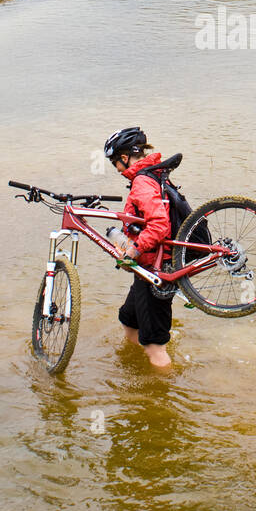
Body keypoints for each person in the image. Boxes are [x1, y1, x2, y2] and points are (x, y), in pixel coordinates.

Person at [104, 126, 174, 369]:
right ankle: (138, 364)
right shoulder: (151, 174)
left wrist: (134, 251)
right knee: (129, 320)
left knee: (155, 346)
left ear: (124, 157)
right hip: (145, 268)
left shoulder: (143, 182)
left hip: (154, 271)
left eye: (115, 162)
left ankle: (162, 396)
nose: (116, 169)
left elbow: (159, 225)